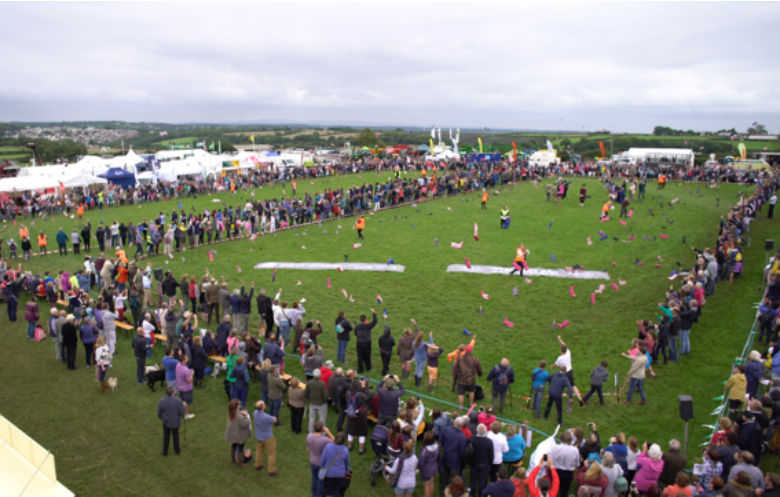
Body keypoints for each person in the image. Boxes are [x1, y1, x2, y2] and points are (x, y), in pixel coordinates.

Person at [307, 420, 335, 497]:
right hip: (322, 465)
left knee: (314, 478)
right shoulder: (325, 440)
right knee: (321, 481)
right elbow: (336, 441)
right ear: (322, 429)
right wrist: (328, 432)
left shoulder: (309, 436)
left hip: (312, 462)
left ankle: (314, 494)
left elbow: (308, 449)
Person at [554, 335, 583, 409]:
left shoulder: (560, 358)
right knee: (573, 385)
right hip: (570, 371)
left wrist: (552, 367)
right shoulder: (568, 352)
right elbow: (564, 344)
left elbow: (556, 364)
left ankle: (559, 399)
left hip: (564, 373)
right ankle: (580, 398)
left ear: (561, 351)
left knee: (561, 386)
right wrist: (560, 339)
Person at [157, 386, 186, 456]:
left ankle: (165, 451)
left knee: (166, 436)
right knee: (175, 436)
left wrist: (162, 418)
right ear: (173, 393)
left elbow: (159, 412)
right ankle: (177, 451)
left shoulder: (162, 400)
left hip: (166, 422)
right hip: (175, 422)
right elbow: (182, 412)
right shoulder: (178, 401)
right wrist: (184, 406)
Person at [319, 432, 350, 497]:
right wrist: (347, 471)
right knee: (337, 490)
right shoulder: (345, 450)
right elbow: (347, 463)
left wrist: (322, 468)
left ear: (335, 439)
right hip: (340, 474)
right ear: (344, 441)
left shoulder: (328, 446)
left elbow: (322, 460)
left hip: (329, 473)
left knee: (329, 490)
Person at [253, 400, 278, 476]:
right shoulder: (266, 417)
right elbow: (275, 420)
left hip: (259, 436)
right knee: (271, 453)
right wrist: (273, 417)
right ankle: (272, 471)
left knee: (259, 450)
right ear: (263, 407)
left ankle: (258, 465)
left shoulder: (255, 413)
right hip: (268, 438)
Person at [225, 399, 252, 467]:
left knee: (234, 445)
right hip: (239, 434)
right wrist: (245, 415)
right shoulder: (239, 416)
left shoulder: (230, 412)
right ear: (236, 407)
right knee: (240, 447)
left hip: (233, 433)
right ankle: (240, 463)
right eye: (239, 405)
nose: (240, 406)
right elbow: (246, 423)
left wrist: (240, 412)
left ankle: (233, 459)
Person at [354, 308, 377, 373]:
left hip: (359, 343)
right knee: (367, 355)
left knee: (360, 356)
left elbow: (355, 333)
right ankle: (368, 367)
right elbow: (375, 321)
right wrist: (374, 313)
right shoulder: (368, 326)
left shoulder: (357, 326)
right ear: (365, 320)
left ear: (360, 320)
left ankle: (360, 369)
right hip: (367, 343)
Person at [306, 368, 329, 433]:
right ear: (320, 375)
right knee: (322, 419)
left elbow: (306, 392)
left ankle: (310, 432)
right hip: (321, 404)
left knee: (311, 418)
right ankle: (323, 433)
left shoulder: (309, 382)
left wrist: (309, 399)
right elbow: (325, 396)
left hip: (312, 403)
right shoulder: (322, 384)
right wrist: (324, 401)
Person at [418, 431, 440, 497]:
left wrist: (419, 467)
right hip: (434, 468)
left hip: (426, 471)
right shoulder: (437, 446)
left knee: (427, 486)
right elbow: (438, 457)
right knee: (431, 483)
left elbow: (421, 462)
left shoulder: (425, 450)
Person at [175, 354, 195, 419]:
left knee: (181, 401)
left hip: (180, 387)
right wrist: (191, 374)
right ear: (183, 361)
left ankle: (180, 411)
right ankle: (186, 415)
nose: (188, 359)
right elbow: (189, 381)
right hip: (187, 389)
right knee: (187, 402)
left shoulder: (178, 365)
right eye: (186, 358)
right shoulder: (186, 370)